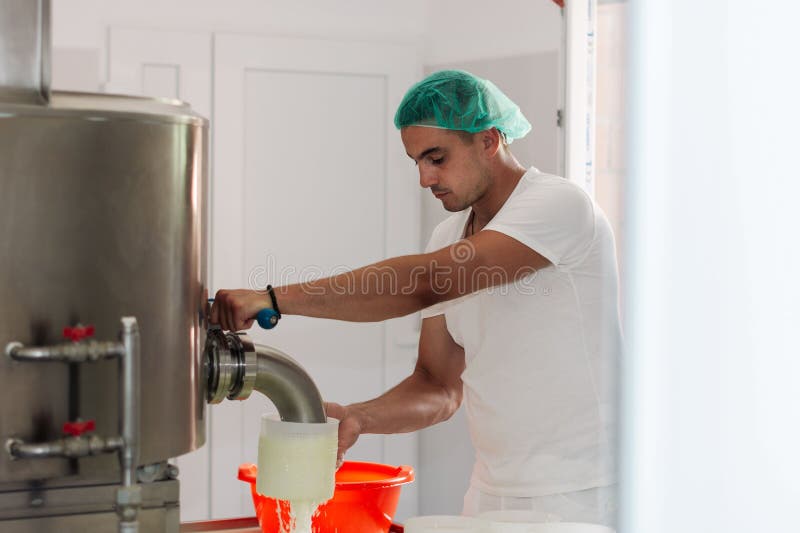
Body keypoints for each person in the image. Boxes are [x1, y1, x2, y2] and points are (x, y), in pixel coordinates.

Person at [210, 70, 621, 526]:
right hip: (490, 490)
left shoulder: (558, 206)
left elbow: (426, 282)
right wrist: (359, 417)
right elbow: (439, 387)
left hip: (579, 492)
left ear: (488, 140)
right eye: (417, 162)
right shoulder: (448, 234)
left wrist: (271, 298)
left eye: (436, 157)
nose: (425, 178)